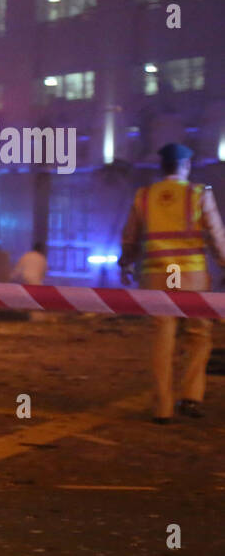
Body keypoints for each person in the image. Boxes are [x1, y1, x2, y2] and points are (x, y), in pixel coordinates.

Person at [118, 143, 225, 424]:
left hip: (156, 276)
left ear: (161, 167)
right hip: (192, 277)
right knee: (199, 335)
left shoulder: (144, 196)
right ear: (186, 166)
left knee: (161, 338)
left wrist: (125, 262)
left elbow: (130, 236)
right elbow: (215, 234)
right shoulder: (199, 194)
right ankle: (191, 397)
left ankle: (162, 407)